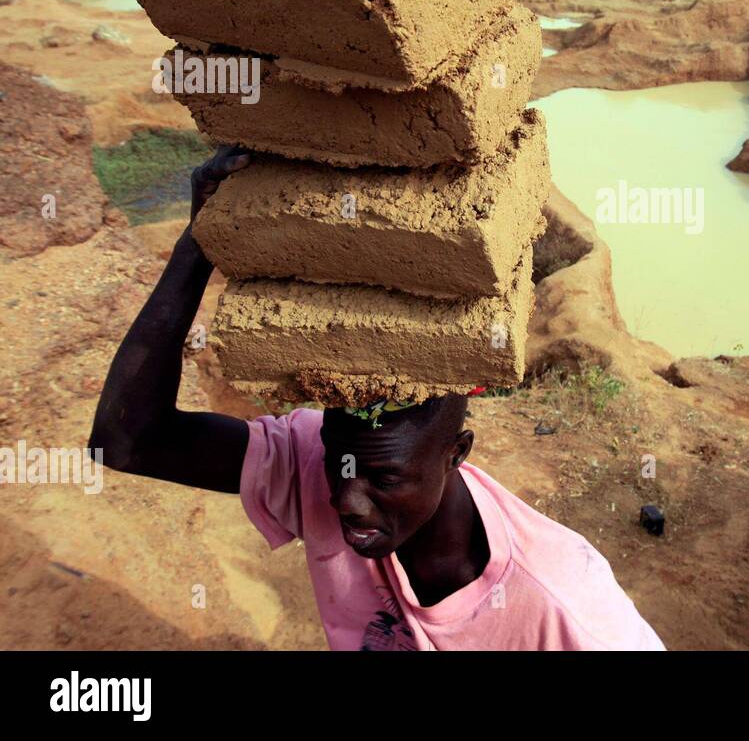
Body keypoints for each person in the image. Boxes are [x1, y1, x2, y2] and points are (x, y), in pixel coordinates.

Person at [89, 147, 665, 651]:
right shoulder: (321, 466)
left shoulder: (564, 612)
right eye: (339, 461)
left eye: (385, 479)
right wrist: (199, 242)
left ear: (456, 452)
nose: (345, 500)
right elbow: (126, 440)